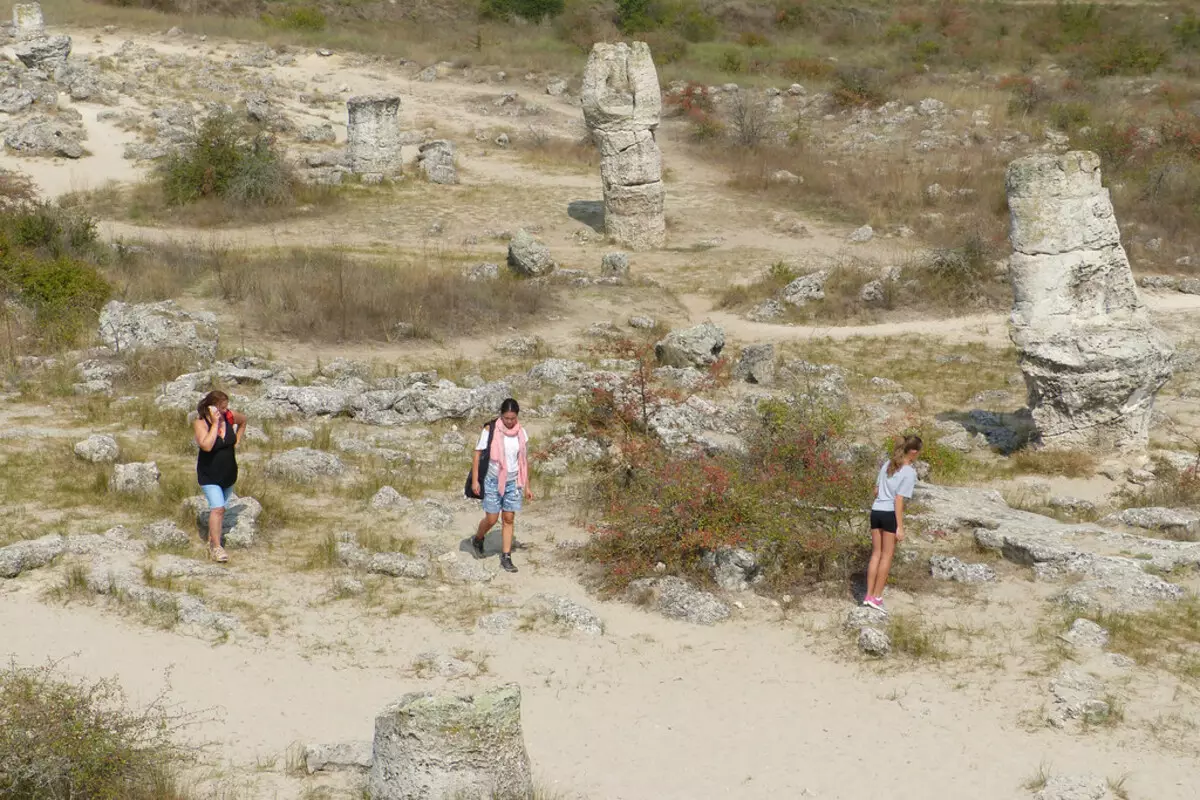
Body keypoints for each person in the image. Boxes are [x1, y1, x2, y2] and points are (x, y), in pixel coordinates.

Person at [469, 398, 532, 573]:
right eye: (506, 418)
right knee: (492, 518)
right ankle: (478, 538)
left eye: (513, 418)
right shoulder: (490, 430)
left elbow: (523, 461)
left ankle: (506, 556)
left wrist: (526, 486)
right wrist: (475, 481)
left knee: (509, 518)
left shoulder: (521, 433)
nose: (510, 422)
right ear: (501, 416)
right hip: (492, 480)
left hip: (513, 481)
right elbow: (477, 455)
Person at [864, 435, 922, 611]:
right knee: (887, 556)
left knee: (876, 554)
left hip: (876, 511)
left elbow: (876, 490)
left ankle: (868, 595)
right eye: (918, 452)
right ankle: (877, 596)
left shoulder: (887, 465)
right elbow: (898, 500)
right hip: (889, 514)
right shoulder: (909, 472)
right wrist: (900, 527)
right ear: (912, 452)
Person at [193, 390, 246, 564]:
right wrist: (215, 424)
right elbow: (206, 446)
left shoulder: (230, 417)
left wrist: (237, 440)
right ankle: (216, 547)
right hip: (209, 475)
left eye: (225, 407)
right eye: (221, 408)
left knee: (220, 509)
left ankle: (211, 539)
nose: (224, 411)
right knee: (218, 508)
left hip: (229, 473)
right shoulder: (201, 423)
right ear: (210, 407)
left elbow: (243, 420)